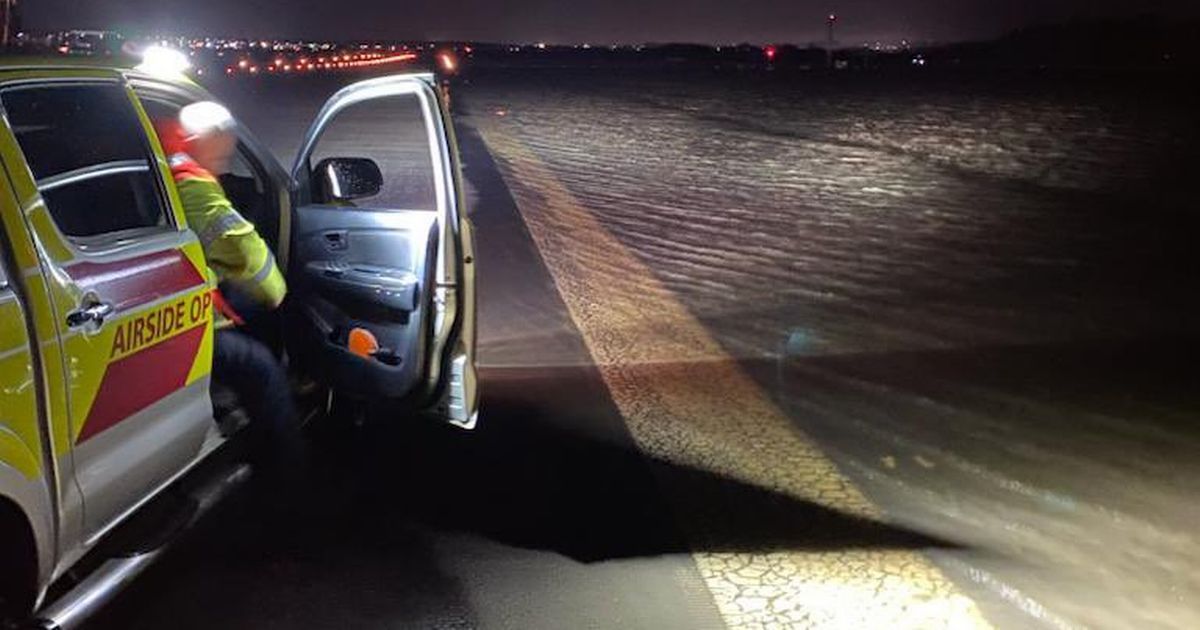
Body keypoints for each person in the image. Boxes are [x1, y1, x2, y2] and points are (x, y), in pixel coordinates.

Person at [154, 102, 303, 478]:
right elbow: (243, 251)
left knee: (244, 310)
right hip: (182, 313)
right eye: (224, 145)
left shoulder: (166, 165)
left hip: (175, 296)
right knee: (262, 368)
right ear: (204, 140)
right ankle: (288, 472)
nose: (229, 154)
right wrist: (276, 292)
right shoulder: (195, 186)